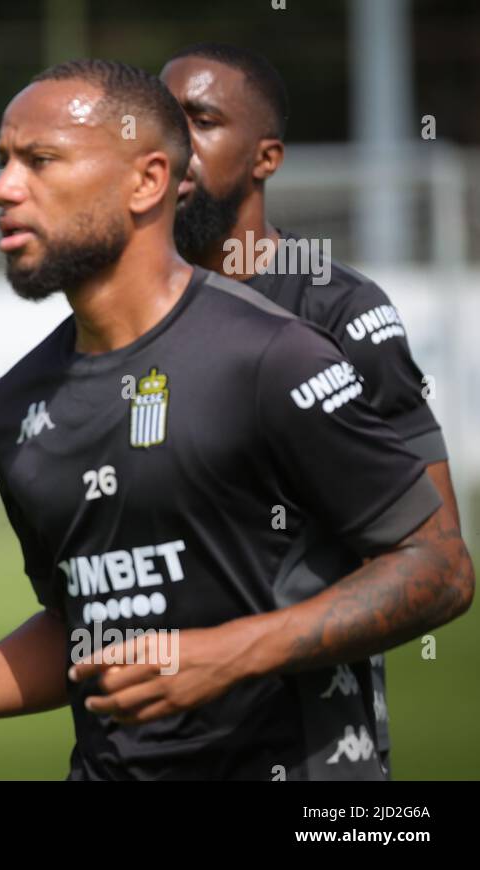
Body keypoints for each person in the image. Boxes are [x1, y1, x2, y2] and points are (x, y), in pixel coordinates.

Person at [0, 59, 473, 780]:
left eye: (41, 161)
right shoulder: (16, 404)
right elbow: (81, 629)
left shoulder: (272, 357)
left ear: (146, 182)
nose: (4, 188)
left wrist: (233, 651)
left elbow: (438, 566)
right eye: (4, 161)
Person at [161, 42, 461, 776]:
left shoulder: (341, 311)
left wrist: (240, 649)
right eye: (162, 121)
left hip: (313, 752)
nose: (175, 145)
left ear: (267, 158)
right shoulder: (117, 318)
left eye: (200, 120)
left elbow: (438, 559)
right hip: (142, 748)